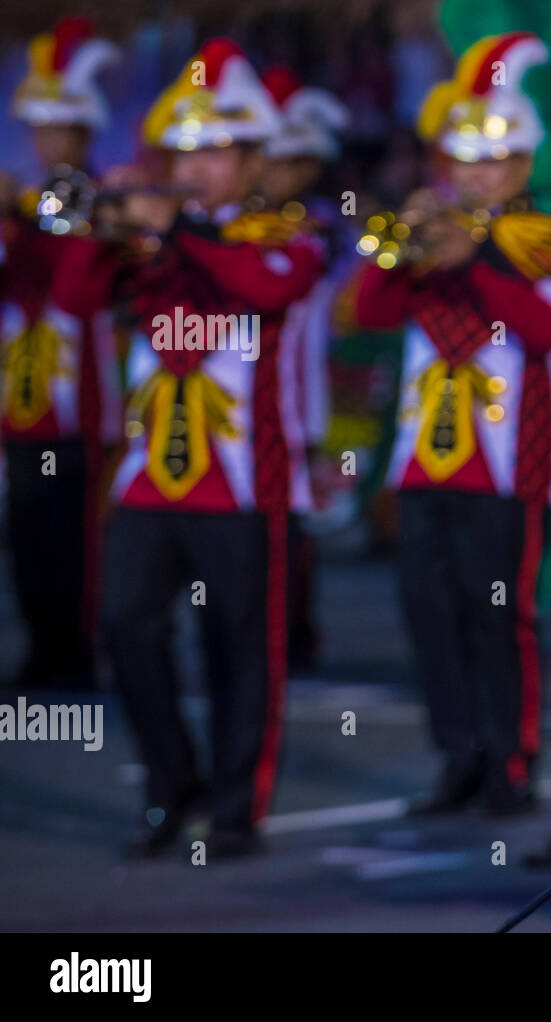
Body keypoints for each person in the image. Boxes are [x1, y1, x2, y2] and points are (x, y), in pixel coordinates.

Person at [54, 39, 326, 858]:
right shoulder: (150, 240)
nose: (198, 165)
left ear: (250, 157)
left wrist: (177, 229)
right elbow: (73, 299)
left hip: (243, 484)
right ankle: (173, 786)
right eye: (186, 150)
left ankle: (239, 809)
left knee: (242, 647)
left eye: (215, 151)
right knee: (124, 627)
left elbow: (263, 286)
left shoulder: (288, 233)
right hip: (147, 481)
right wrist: (106, 227)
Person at [354, 32, 551, 816]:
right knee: (428, 613)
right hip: (422, 466)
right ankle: (457, 754)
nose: (478, 177)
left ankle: (512, 760)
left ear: (524, 164)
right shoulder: (431, 235)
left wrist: (480, 254)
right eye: (464, 162)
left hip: (508, 469)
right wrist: (408, 248)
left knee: (500, 616)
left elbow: (548, 326)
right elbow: (369, 311)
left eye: (493, 162)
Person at [1, 17, 119, 689]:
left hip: (80, 409)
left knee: (77, 542)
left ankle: (76, 652)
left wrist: (19, 206)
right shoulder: (25, 204)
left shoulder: (93, 199)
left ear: (84, 133)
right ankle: (43, 648)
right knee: (28, 542)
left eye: (62, 131)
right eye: (41, 130)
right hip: (23, 406)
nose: (49, 143)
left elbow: (76, 280)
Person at [259, 66, 352, 673]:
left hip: (301, 395)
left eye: (289, 162)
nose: (277, 174)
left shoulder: (311, 228)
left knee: (291, 531)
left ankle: (294, 636)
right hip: (259, 396)